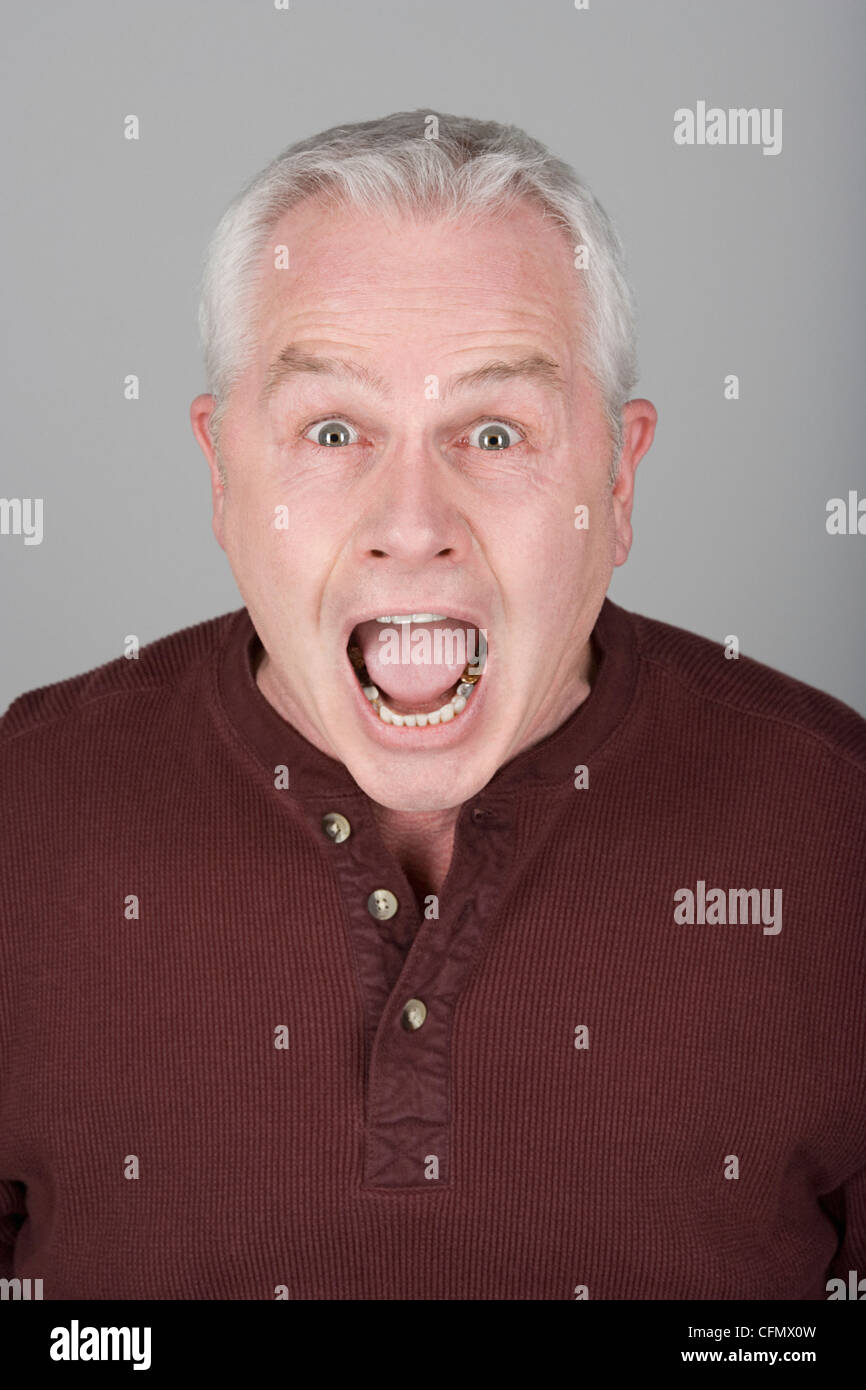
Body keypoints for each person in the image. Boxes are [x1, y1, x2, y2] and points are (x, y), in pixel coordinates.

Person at [1, 110, 863, 1301]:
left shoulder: (837, 828)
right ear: (221, 472)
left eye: (495, 432)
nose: (411, 524)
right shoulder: (23, 813)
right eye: (334, 429)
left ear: (616, 481)